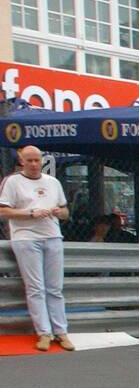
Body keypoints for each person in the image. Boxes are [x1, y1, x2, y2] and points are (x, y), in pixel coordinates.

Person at [0, 145, 73, 352]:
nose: (33, 164)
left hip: (52, 236)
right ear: (21, 161)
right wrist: (30, 214)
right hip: (26, 237)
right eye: (29, 160)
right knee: (35, 288)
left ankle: (61, 332)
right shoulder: (12, 182)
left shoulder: (53, 182)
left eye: (37, 160)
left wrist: (59, 212)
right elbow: (3, 211)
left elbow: (66, 211)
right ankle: (43, 332)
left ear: (42, 161)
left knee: (55, 288)